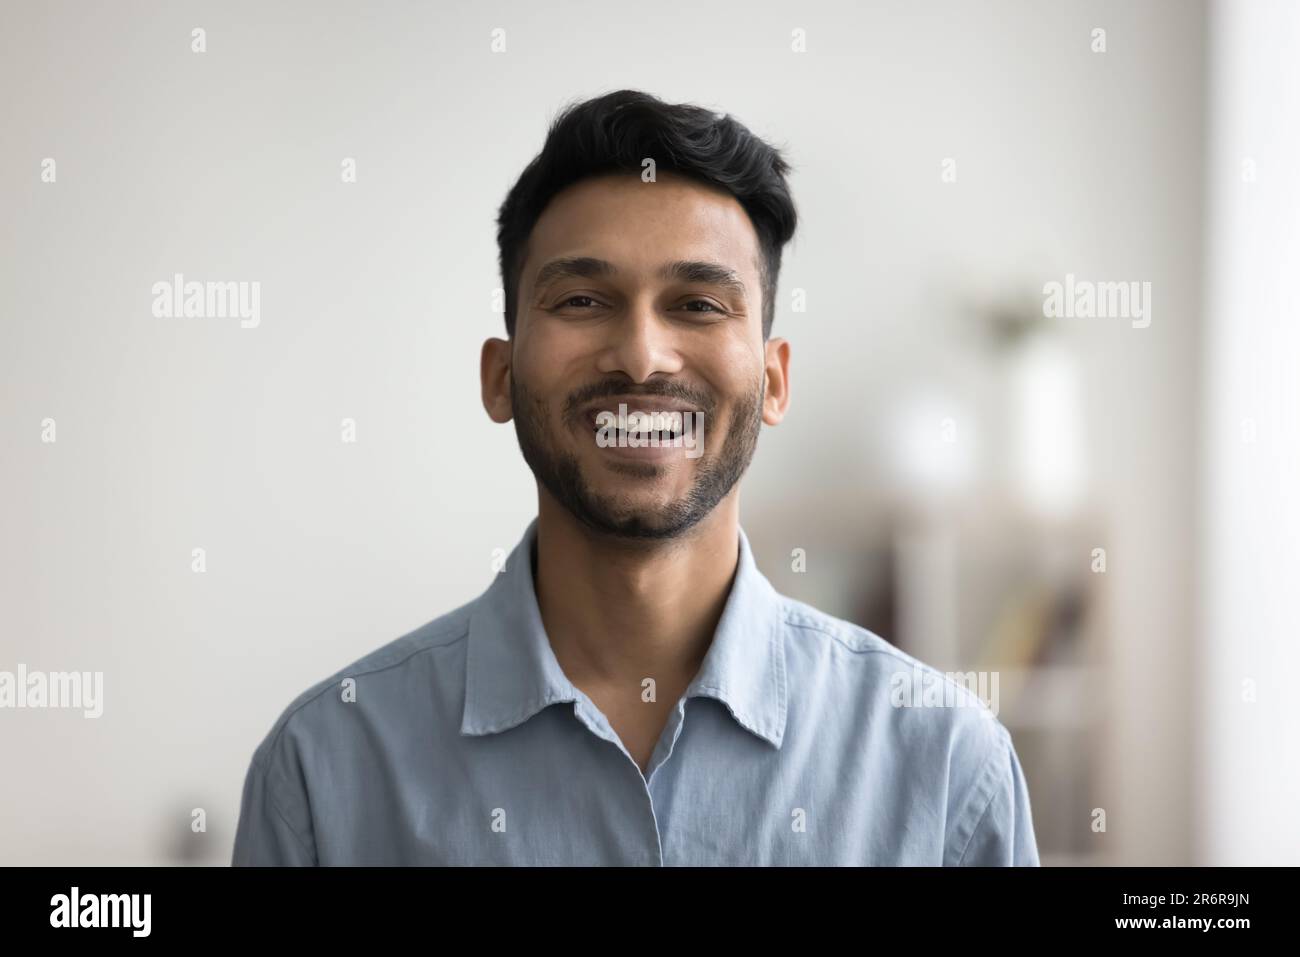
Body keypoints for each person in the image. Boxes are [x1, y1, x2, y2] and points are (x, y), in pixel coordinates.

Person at [232, 89, 1039, 866]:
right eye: (583, 299)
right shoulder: (321, 772)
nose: (642, 356)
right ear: (500, 376)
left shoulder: (949, 771)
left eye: (697, 304)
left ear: (775, 380)